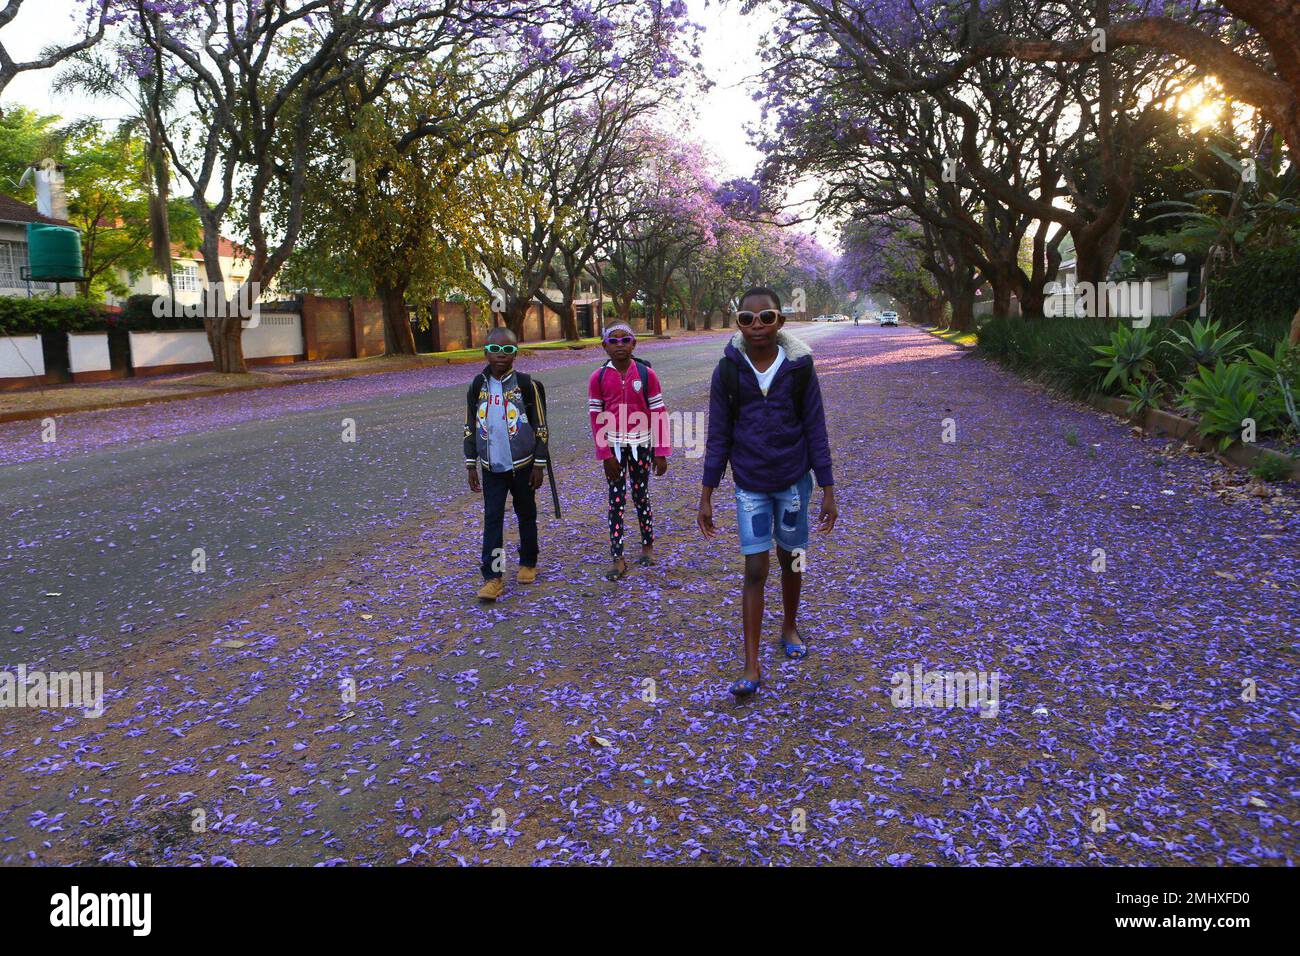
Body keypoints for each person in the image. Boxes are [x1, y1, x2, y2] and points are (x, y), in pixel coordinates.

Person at [698, 288, 836, 697]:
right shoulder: (727, 371)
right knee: (755, 569)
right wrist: (707, 493)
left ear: (781, 321)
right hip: (750, 486)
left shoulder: (799, 367)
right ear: (737, 323)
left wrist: (827, 486)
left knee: (791, 560)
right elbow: (718, 434)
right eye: (747, 318)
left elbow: (816, 427)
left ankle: (789, 626)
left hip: (794, 482)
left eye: (766, 317)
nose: (756, 325)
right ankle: (751, 663)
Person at [464, 327, 549, 601]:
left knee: (526, 514)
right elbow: (469, 426)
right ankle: (493, 577)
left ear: (516, 353)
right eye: (495, 350)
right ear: (486, 352)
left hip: (523, 465)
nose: (501, 355)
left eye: (509, 350)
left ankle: (528, 561)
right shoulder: (478, 386)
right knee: (493, 520)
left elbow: (541, 427)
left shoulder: (527, 385)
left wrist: (539, 463)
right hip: (492, 468)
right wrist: (470, 464)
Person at [588, 322, 669, 580]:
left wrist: (661, 450)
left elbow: (658, 412)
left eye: (625, 340)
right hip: (614, 450)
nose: (620, 345)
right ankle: (618, 556)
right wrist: (605, 455)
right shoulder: (598, 378)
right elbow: (596, 417)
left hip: (642, 446)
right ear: (604, 346)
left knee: (641, 494)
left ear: (634, 344)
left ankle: (647, 544)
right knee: (616, 501)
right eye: (613, 340)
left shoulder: (646, 375)